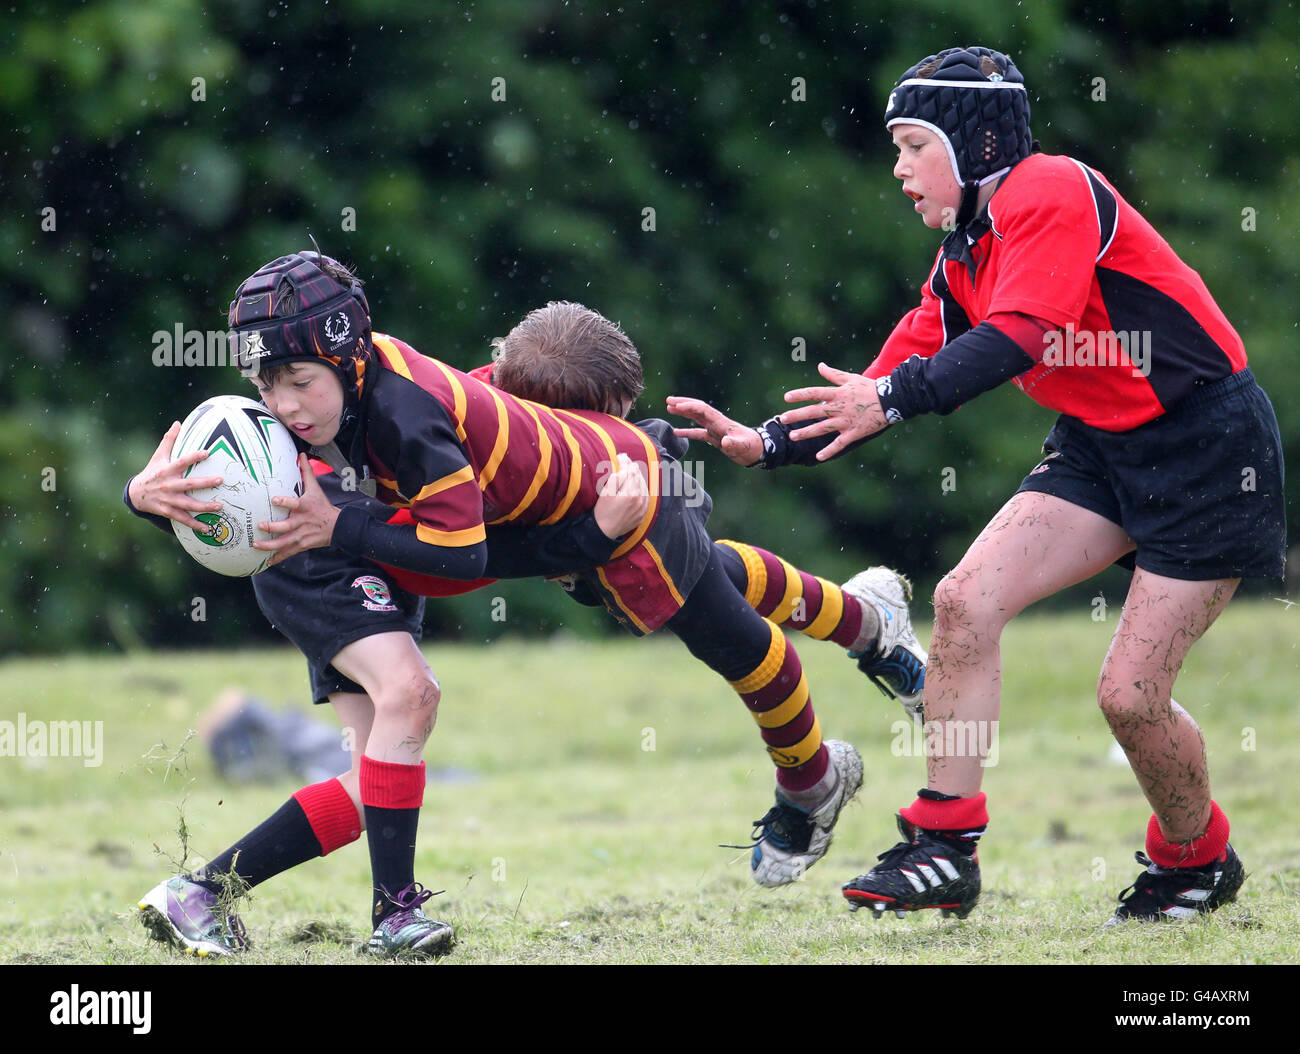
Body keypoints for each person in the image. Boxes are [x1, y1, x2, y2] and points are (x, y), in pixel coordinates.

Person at [127, 256, 925, 955]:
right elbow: (460, 552)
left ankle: (206, 894)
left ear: (350, 360)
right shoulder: (367, 399)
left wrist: (588, 534)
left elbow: (466, 553)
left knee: (378, 779)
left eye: (300, 382)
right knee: (414, 705)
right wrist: (143, 494)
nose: (284, 405)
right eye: (269, 383)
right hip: (329, 559)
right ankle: (390, 911)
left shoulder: (412, 418)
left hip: (505, 527)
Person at [668, 45, 1285, 924]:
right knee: (962, 603)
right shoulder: (967, 251)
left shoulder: (1049, 189)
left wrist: (886, 399)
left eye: (913, 143)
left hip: (1207, 447)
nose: (899, 168)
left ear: (974, 143)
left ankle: (1194, 859)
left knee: (1128, 697)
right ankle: (944, 846)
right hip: (1101, 448)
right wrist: (763, 441)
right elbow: (889, 372)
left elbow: (1018, 340)